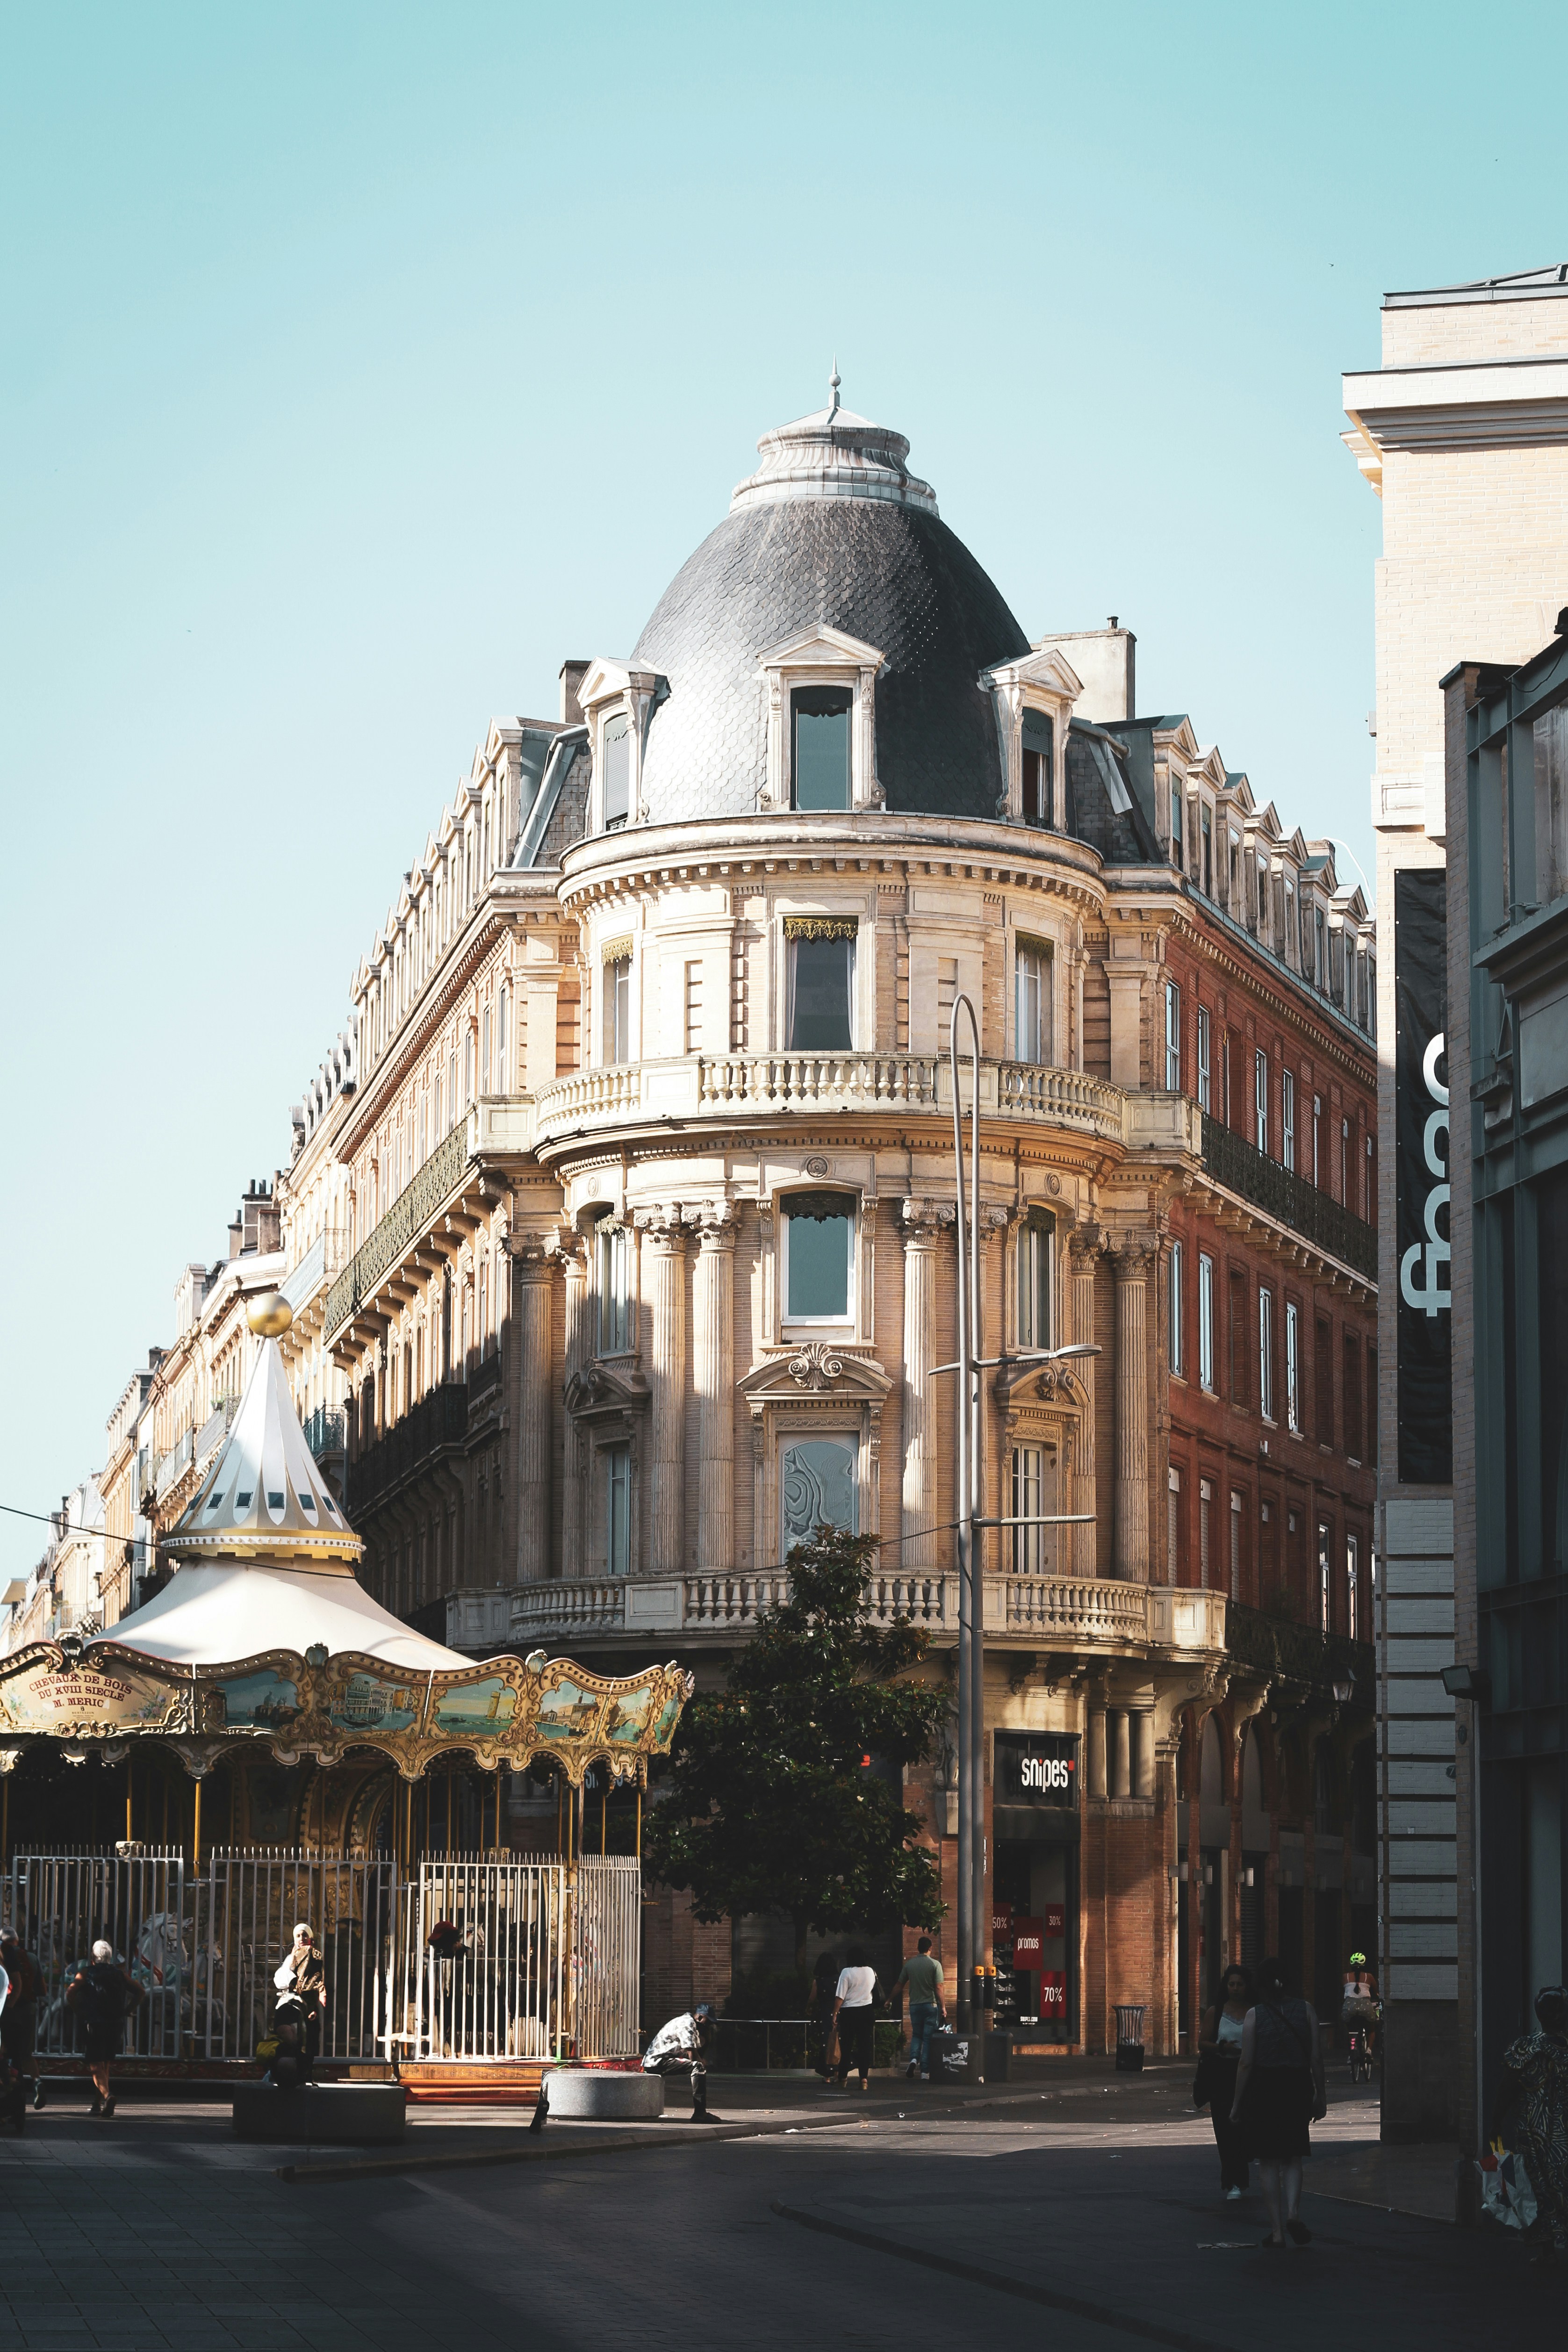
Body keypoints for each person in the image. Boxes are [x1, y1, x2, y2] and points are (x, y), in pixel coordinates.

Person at [1230, 1955, 1327, 2249]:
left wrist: (1236, 2104)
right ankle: (1294, 2214)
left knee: (1269, 2162)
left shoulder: (1254, 2016)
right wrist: (1320, 2095)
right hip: (1296, 2086)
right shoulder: (1306, 2010)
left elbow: (1246, 2063)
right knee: (1294, 2156)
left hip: (1265, 2089)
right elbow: (1316, 2057)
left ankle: (1276, 2232)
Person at [1486, 1984, 1568, 2260]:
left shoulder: (1526, 2048)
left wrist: (1496, 2124)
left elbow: (1507, 2089)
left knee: (1539, 2189)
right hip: (1561, 2132)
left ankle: (1546, 2249)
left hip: (1535, 2133)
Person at [1197, 1964, 1254, 2199]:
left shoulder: (1255, 2011)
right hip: (1222, 2074)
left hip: (1250, 2075)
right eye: (1232, 1984)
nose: (1235, 1988)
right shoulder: (1216, 2011)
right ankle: (1232, 2181)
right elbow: (1202, 2043)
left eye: (1240, 1984)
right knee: (1224, 2128)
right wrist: (1222, 2047)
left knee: (1245, 2128)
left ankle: (1240, 2174)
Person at [67, 1939, 139, 2118]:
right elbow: (141, 1992)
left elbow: (71, 1992)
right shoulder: (120, 1974)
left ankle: (108, 2096)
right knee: (106, 2063)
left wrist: (78, 2010)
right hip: (115, 2023)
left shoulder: (86, 1973)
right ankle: (97, 2103)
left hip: (95, 2023)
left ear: (93, 1958)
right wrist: (128, 2010)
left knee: (95, 2065)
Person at [640, 2000, 718, 2119]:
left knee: (698, 2065)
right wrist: (701, 2061)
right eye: (708, 2022)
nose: (709, 2026)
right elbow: (692, 2055)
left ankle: (701, 2112)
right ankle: (700, 2113)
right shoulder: (687, 2024)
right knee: (698, 2067)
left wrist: (707, 2038)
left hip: (663, 2059)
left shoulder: (692, 2024)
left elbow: (697, 2053)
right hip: (656, 2062)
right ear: (701, 2017)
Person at [0, 1926, 45, 2113]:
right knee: (25, 2053)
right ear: (17, 1940)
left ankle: (9, 2089)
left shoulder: (5, 1955)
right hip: (27, 2010)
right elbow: (42, 1990)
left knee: (5, 2052)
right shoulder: (32, 1958)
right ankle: (37, 2082)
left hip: (6, 2011)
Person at [892, 1937, 945, 2082]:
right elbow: (939, 1987)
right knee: (928, 2039)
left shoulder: (910, 1965)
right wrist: (944, 2007)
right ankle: (925, 2072)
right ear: (930, 1948)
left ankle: (914, 2059)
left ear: (918, 1948)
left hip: (915, 2005)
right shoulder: (935, 1965)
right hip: (931, 2005)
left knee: (917, 2035)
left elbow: (899, 1984)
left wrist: (889, 2000)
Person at [831, 1946, 879, 2091]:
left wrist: (835, 2013)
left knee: (846, 2046)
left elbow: (840, 1996)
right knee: (864, 2046)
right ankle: (864, 2079)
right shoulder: (871, 1971)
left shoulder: (847, 1972)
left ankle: (843, 2078)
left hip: (849, 2013)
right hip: (867, 2011)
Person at [1341, 1950, 1380, 2060]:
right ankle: (1369, 2051)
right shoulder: (1370, 1977)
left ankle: (1352, 2049)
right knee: (1371, 2030)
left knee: (1350, 2030)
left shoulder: (1345, 1977)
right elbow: (1376, 1994)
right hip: (1365, 2007)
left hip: (1349, 2007)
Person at [809, 1949, 841, 2081]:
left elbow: (812, 1998)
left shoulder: (818, 1982)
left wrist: (808, 2008)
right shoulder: (839, 1980)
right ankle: (838, 2072)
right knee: (838, 2041)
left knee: (826, 2042)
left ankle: (827, 2074)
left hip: (824, 2013)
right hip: (838, 2011)